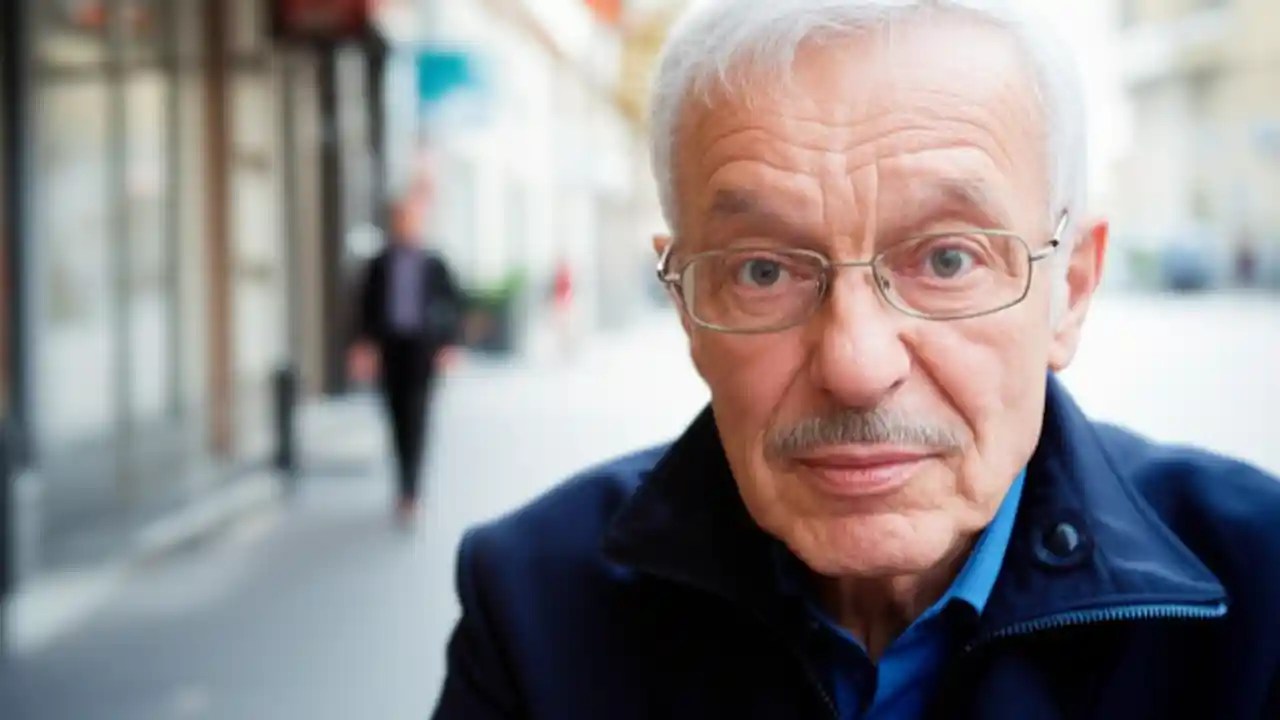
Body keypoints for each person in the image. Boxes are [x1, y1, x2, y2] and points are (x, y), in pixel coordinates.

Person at [432, 1, 1280, 718]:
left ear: (1072, 289)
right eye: (763, 271)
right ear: (688, 307)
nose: (855, 363)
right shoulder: (534, 609)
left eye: (948, 259)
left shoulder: (1261, 593)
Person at [350, 175, 463, 526]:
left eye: (411, 217)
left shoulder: (435, 263)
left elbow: (454, 306)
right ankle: (402, 485)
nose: (406, 223)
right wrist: (363, 348)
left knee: (418, 419)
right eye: (401, 217)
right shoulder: (379, 264)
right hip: (390, 351)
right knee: (396, 419)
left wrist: (449, 346)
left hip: (422, 352)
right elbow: (364, 310)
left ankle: (411, 491)